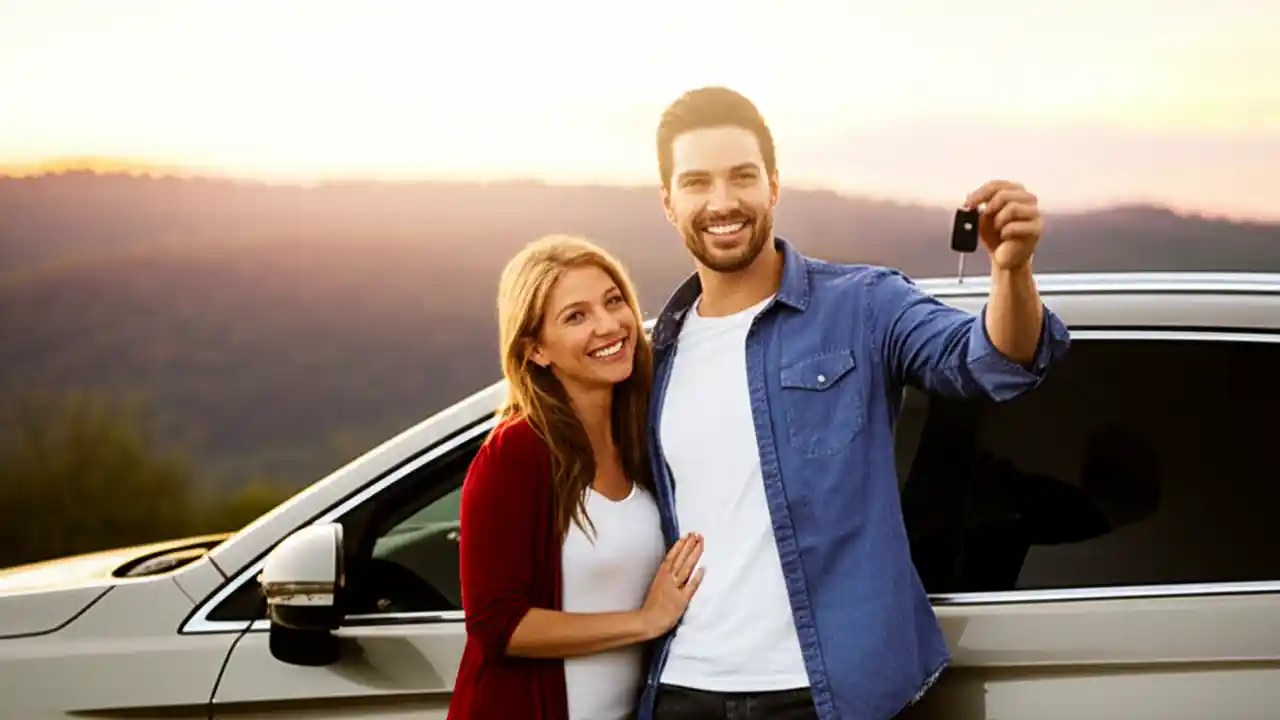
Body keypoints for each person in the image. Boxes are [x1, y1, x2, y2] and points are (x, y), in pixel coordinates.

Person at [636, 87, 1073, 720]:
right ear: (668, 202)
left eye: (742, 177)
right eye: (697, 182)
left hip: (828, 697)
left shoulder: (863, 305)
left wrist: (1011, 270)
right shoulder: (658, 354)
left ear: (774, 185)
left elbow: (993, 364)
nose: (723, 201)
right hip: (683, 694)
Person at [449, 235, 706, 720]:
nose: (609, 326)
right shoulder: (516, 452)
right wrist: (644, 621)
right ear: (536, 350)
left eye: (613, 302)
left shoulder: (644, 437)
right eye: (576, 316)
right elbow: (497, 625)